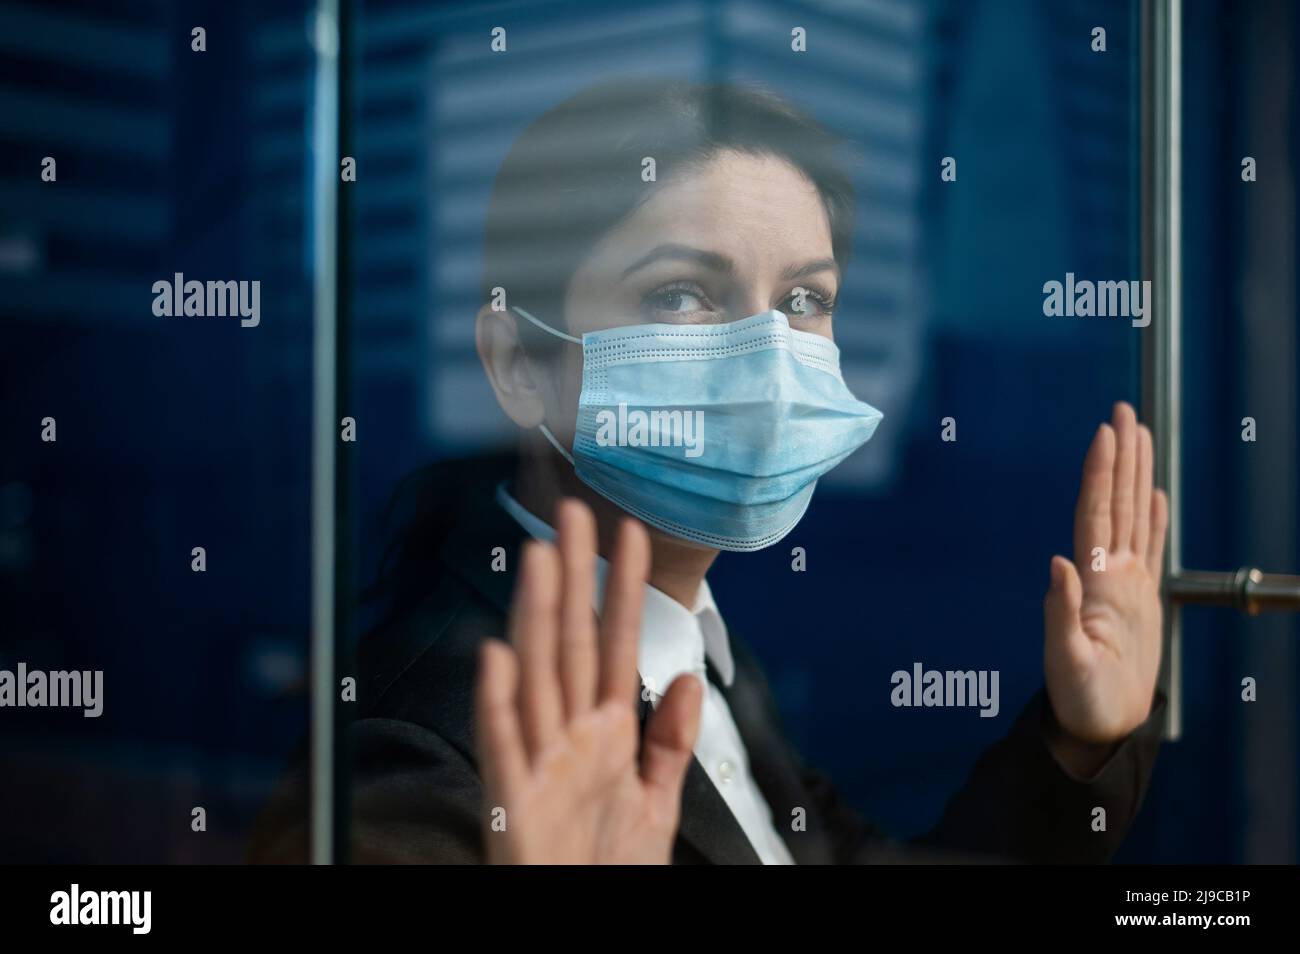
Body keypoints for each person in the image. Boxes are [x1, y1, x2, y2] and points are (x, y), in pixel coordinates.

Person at [249, 78, 1167, 865]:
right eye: (681, 292)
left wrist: (1079, 741)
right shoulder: (417, 753)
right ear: (519, 364)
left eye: (804, 299)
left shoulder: (691, 647)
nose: (768, 362)